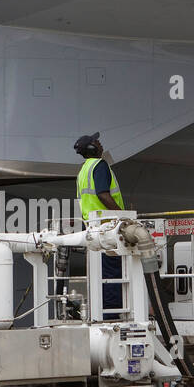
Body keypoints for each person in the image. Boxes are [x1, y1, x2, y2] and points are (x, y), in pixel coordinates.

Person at [74, 132, 126, 315]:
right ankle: (111, 314)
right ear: (92, 147)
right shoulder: (100, 165)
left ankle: (104, 312)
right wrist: (124, 216)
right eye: (97, 142)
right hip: (108, 227)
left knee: (101, 274)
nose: (101, 144)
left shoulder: (83, 169)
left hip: (93, 226)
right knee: (113, 274)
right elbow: (103, 194)